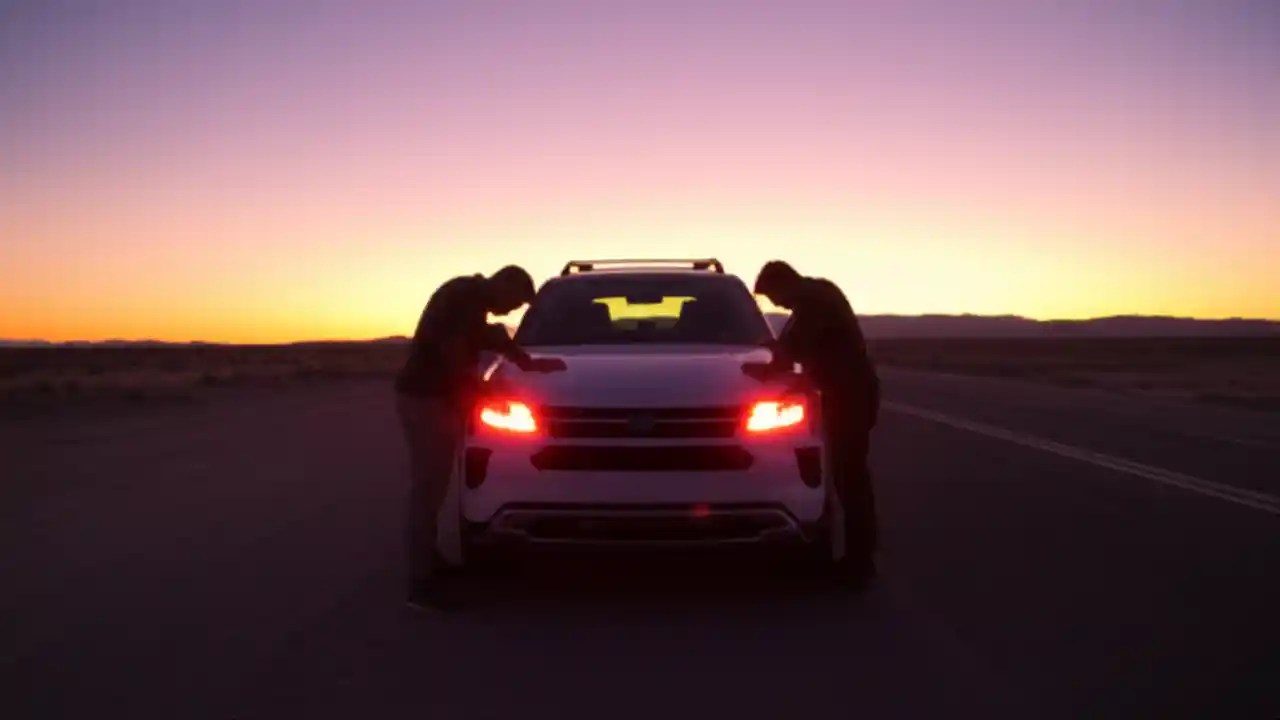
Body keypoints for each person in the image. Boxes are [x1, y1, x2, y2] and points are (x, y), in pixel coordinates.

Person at [394, 266, 562, 611]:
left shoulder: (471, 301)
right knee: (428, 486)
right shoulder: (465, 297)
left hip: (434, 398)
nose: (511, 310)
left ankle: (431, 561)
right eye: (514, 302)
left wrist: (528, 364)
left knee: (436, 484)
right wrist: (482, 391)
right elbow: (454, 350)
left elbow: (491, 336)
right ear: (504, 285)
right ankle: (419, 584)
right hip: (426, 399)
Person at [750, 260, 881, 587]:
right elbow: (792, 348)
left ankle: (859, 563)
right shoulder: (811, 300)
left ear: (784, 283)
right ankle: (860, 554)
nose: (777, 304)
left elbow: (806, 348)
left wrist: (779, 373)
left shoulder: (813, 301)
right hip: (846, 393)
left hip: (851, 394)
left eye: (775, 297)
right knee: (847, 475)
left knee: (849, 476)